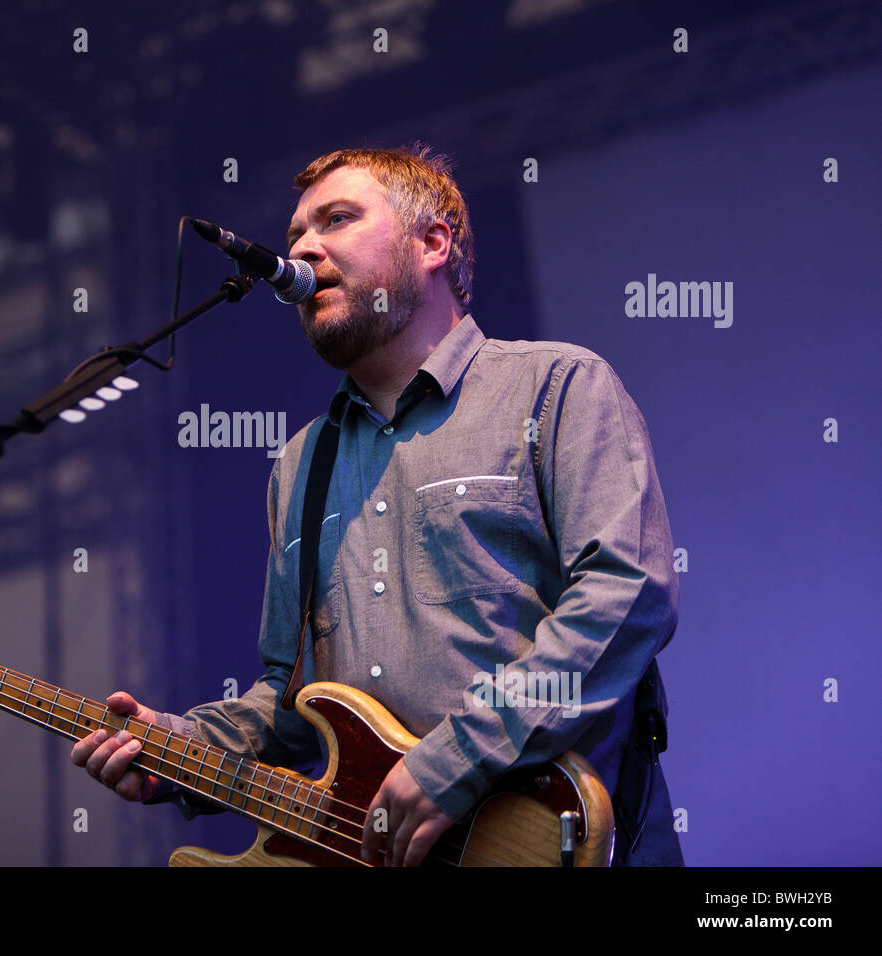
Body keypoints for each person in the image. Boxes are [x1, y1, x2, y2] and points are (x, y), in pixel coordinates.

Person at [71, 144, 683, 867]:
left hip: (554, 840)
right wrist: (178, 747)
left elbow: (627, 593)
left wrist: (458, 757)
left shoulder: (556, 386)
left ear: (432, 243)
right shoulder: (300, 466)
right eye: (296, 232)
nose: (302, 247)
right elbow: (294, 700)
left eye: (337, 219)